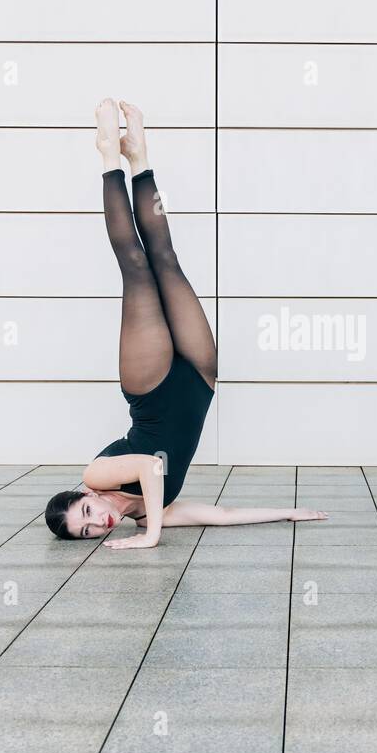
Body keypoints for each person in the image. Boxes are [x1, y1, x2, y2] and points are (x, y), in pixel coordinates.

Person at [44, 99, 326, 548]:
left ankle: (109, 154)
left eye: (86, 511)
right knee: (168, 259)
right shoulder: (154, 511)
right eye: (88, 530)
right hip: (198, 378)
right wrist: (288, 512)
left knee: (138, 263)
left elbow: (150, 467)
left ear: (85, 494)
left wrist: (150, 536)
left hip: (151, 387)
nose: (97, 522)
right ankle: (139, 156)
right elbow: (221, 515)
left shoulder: (96, 474)